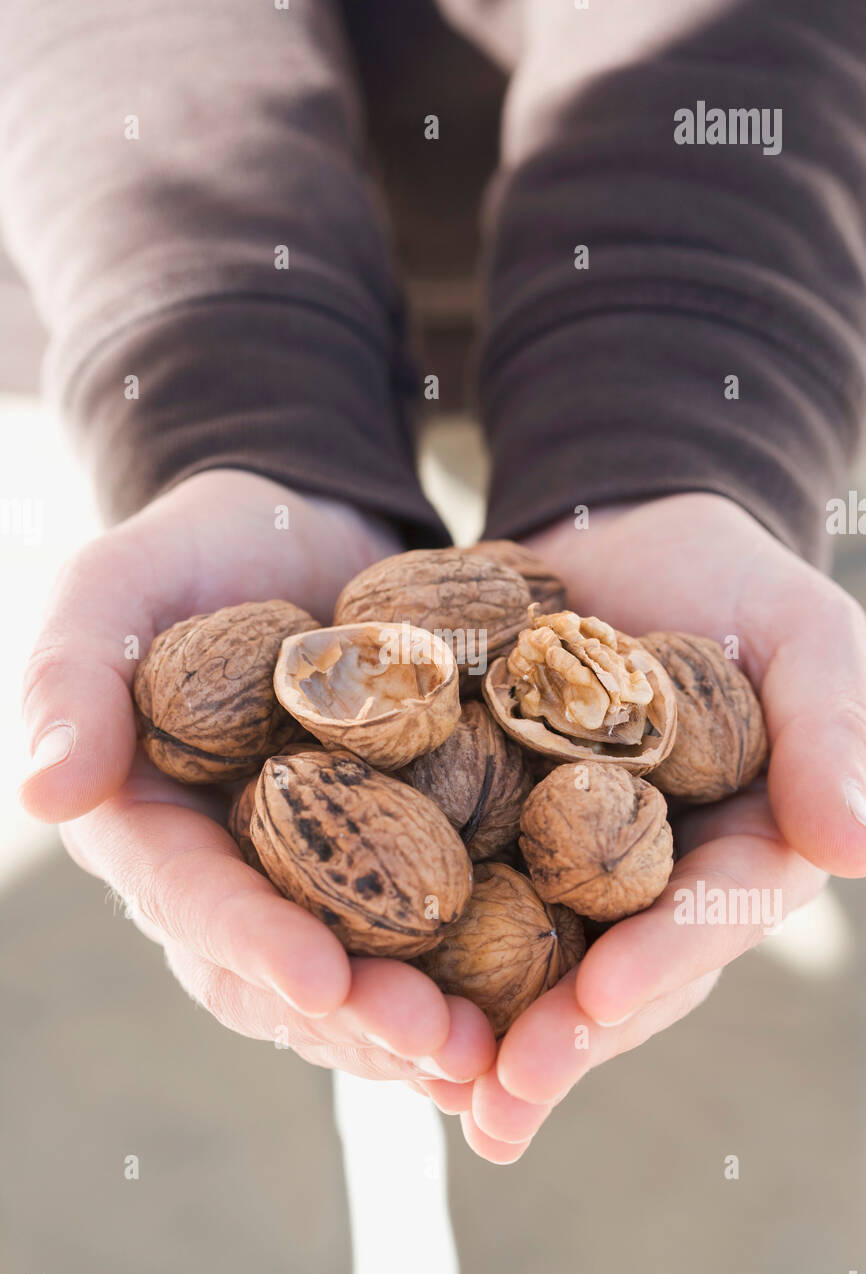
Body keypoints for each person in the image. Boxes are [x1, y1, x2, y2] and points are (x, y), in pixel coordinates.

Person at [5, 0, 866, 1166]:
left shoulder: (543, 743)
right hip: (144, 279)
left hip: (711, 298)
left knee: (687, 1144)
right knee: (186, 1146)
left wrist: (682, 422)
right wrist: (224, 386)